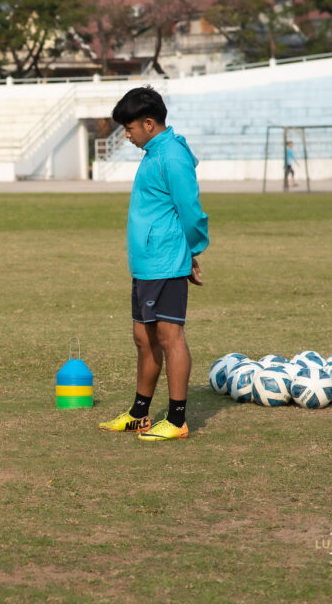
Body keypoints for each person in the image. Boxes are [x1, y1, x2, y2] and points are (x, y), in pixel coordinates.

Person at [98, 86, 208, 442]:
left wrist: (193, 251)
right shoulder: (152, 152)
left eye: (129, 129)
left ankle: (177, 420)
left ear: (149, 123)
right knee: (143, 339)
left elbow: (190, 209)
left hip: (165, 263)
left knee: (170, 337)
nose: (126, 136)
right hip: (147, 264)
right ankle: (140, 415)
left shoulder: (172, 156)